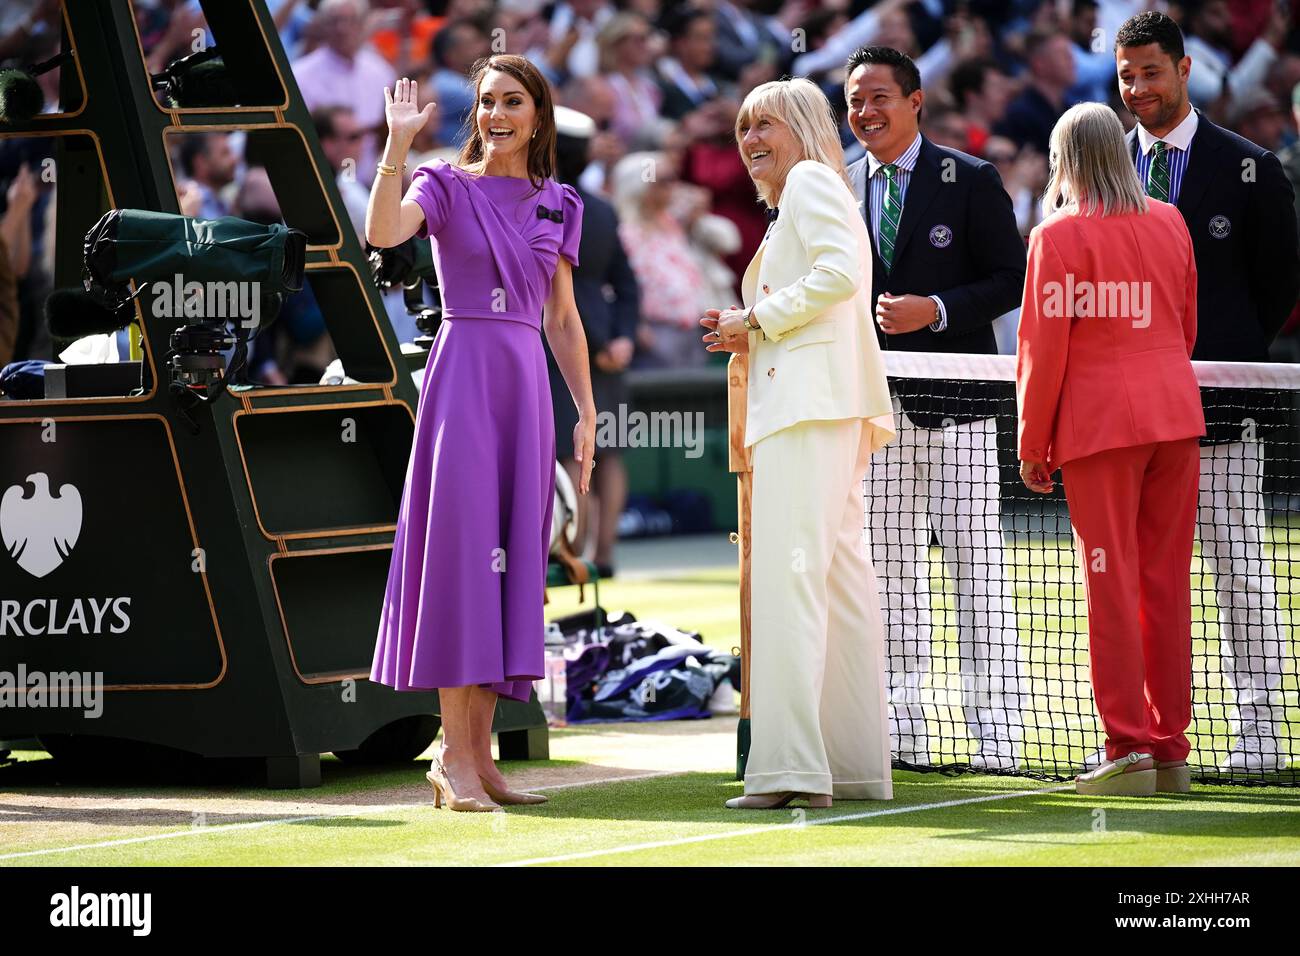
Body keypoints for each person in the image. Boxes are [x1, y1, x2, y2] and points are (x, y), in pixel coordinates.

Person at [366, 58, 597, 812]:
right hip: (462, 379)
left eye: (512, 101)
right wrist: (397, 146)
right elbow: (380, 229)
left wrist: (587, 410)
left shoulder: (561, 202)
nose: (497, 113)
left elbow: (562, 318)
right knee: (465, 563)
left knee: (512, 568)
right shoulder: (441, 181)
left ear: (539, 115)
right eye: (487, 102)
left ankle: (483, 759)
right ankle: (452, 761)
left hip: (526, 385)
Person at [701, 77, 895, 810]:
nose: (751, 140)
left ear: (804, 129)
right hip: (825, 408)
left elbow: (839, 275)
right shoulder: (807, 197)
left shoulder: (813, 180)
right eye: (744, 128)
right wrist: (752, 323)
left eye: (766, 126)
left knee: (791, 588)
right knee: (838, 586)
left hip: (807, 410)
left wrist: (752, 320)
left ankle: (790, 772)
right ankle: (848, 769)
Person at [1115, 11, 1299, 772]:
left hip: (1222, 407)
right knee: (1141, 582)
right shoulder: (1104, 168)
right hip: (1128, 416)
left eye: (1150, 72)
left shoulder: (1250, 166)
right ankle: (1155, 738)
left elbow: (1278, 283)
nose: (1137, 89)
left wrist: (1217, 355)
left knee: (1239, 570)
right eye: (1126, 76)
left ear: (1186, 71)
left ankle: (1259, 735)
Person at [845, 46, 1028, 771]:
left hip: (961, 410)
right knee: (889, 577)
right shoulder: (838, 184)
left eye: (880, 97)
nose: (864, 111)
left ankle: (1001, 739)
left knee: (977, 571)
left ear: (916, 101)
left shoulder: (972, 179)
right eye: (855, 99)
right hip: (875, 416)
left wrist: (938, 311)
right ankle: (902, 734)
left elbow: (1011, 278)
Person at [1017, 102, 1205, 797]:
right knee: (1164, 582)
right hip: (1173, 415)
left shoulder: (1056, 236)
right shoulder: (1172, 219)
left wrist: (1034, 443)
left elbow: (1043, 347)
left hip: (1100, 430)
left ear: (1065, 157)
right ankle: (1170, 751)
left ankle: (1127, 748)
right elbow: (1185, 325)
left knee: (1111, 585)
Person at [548, 106, 640, 579]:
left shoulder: (545, 205)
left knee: (572, 453)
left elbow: (566, 299)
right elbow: (627, 285)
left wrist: (610, 341)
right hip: (604, 350)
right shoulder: (601, 208)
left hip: (564, 349)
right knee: (608, 453)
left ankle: (574, 560)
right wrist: (621, 339)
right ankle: (600, 557)